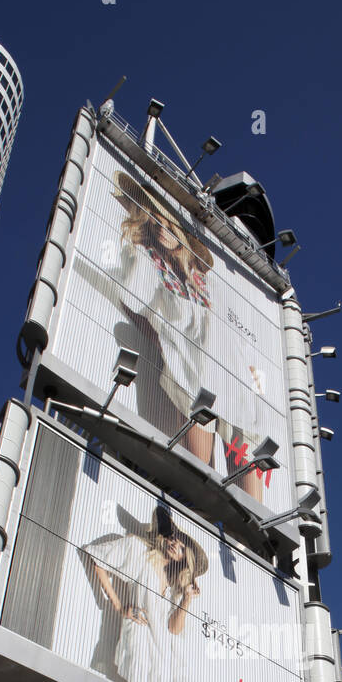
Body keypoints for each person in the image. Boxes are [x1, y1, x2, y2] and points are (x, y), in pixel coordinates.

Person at [107, 173, 267, 501]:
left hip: (231, 374)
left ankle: (248, 542)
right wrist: (164, 343)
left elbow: (228, 328)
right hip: (193, 369)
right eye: (156, 221)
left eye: (169, 222)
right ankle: (197, 518)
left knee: (247, 451)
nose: (163, 229)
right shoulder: (146, 260)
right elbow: (134, 301)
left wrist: (247, 366)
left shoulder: (207, 280)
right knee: (199, 474)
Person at [81, 504, 208, 682]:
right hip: (142, 643)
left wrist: (187, 599)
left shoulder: (175, 587)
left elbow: (173, 629)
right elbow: (96, 558)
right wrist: (119, 607)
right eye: (174, 537)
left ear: (185, 559)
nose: (174, 542)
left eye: (181, 545)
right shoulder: (139, 551)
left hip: (166, 653)